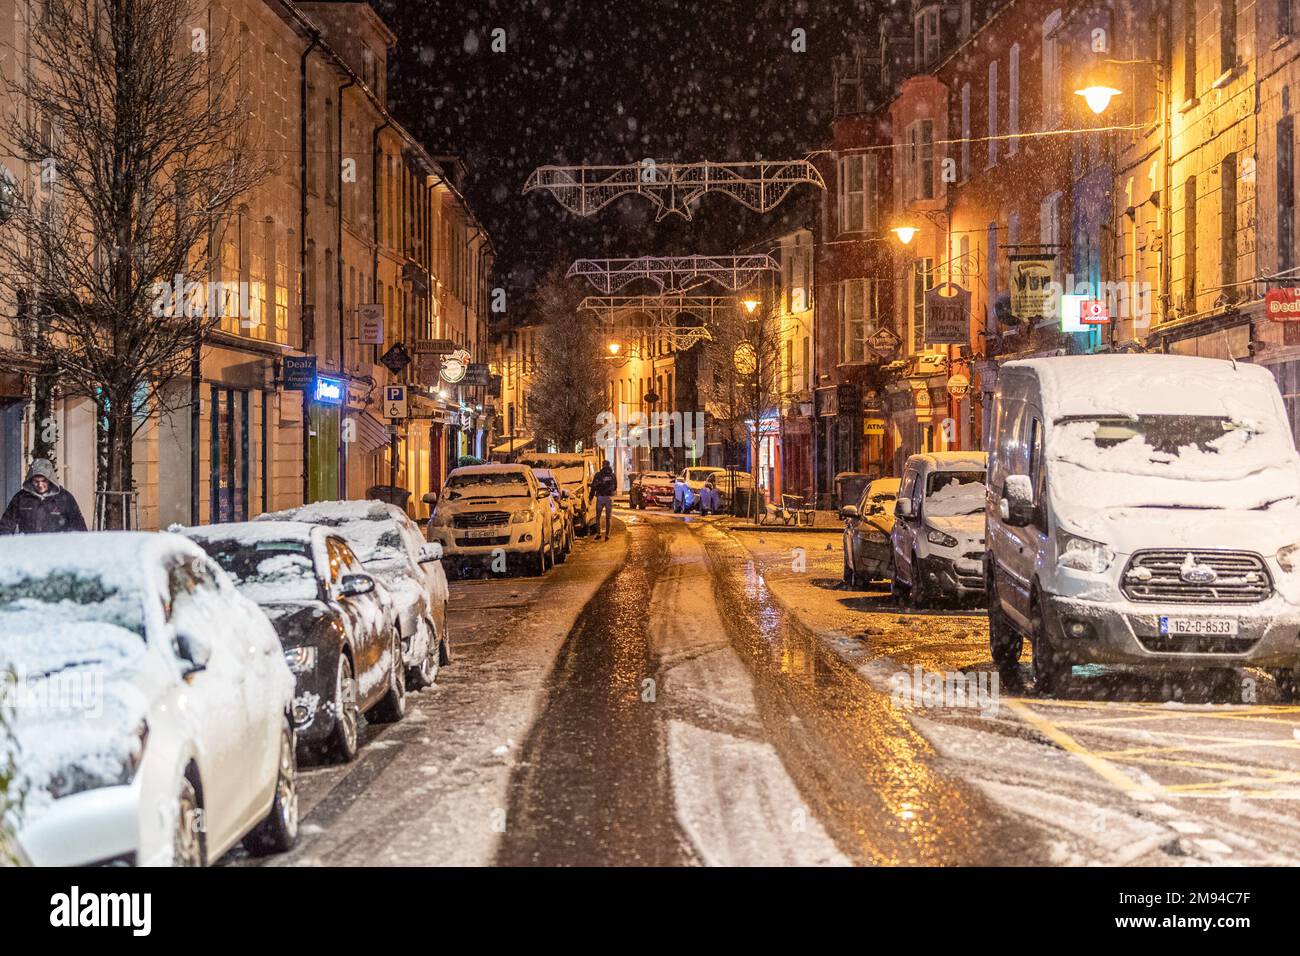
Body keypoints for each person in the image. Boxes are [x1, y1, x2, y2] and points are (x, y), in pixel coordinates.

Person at [0, 458, 88, 534]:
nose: (40, 485)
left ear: (50, 480)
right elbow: (6, 525)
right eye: (36, 481)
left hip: (58, 548)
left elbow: (78, 526)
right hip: (28, 547)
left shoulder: (64, 498)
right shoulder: (21, 498)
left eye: (43, 481)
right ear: (30, 480)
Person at [591, 461, 617, 539]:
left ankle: (599, 534)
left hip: (600, 497)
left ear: (603, 465)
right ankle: (607, 535)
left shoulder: (598, 475)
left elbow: (593, 487)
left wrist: (591, 497)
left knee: (598, 517)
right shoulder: (613, 475)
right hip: (609, 498)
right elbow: (615, 486)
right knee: (608, 517)